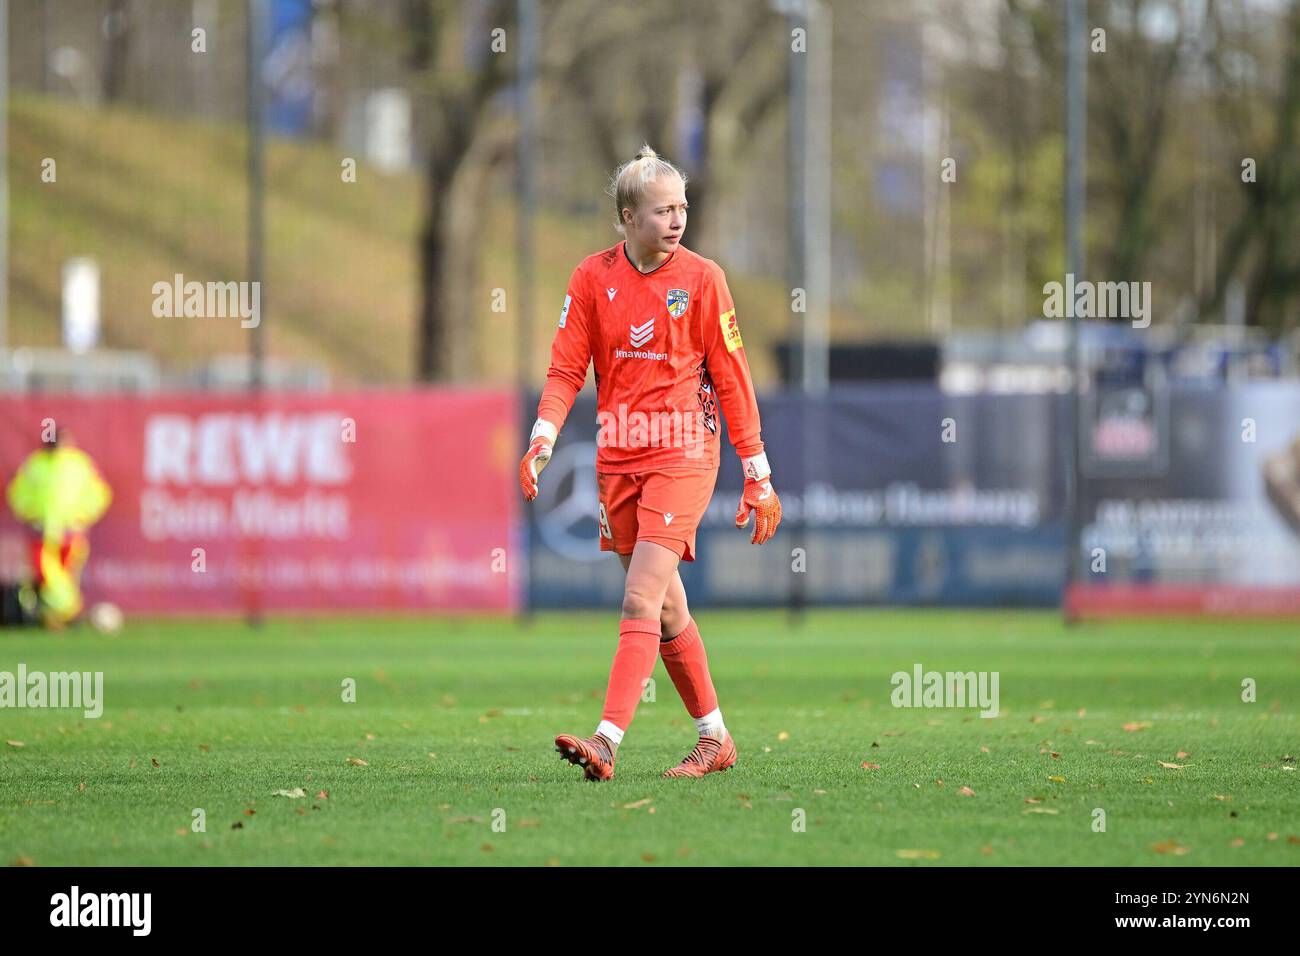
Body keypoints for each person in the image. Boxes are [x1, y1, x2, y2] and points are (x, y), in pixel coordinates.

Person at [520, 145, 782, 781]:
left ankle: (606, 741)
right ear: (627, 217)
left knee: (639, 597)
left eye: (683, 208)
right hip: (618, 455)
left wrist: (758, 472)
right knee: (666, 610)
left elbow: (732, 375)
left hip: (685, 453)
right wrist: (543, 437)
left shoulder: (703, 279)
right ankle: (714, 738)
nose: (678, 220)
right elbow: (563, 369)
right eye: (664, 210)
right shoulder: (591, 280)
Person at [6, 430, 112, 628]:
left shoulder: (80, 464)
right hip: (42, 531)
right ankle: (69, 612)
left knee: (66, 575)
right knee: (48, 575)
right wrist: (30, 513)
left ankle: (61, 615)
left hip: (71, 531)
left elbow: (99, 493)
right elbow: (17, 492)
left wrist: (82, 516)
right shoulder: (35, 464)